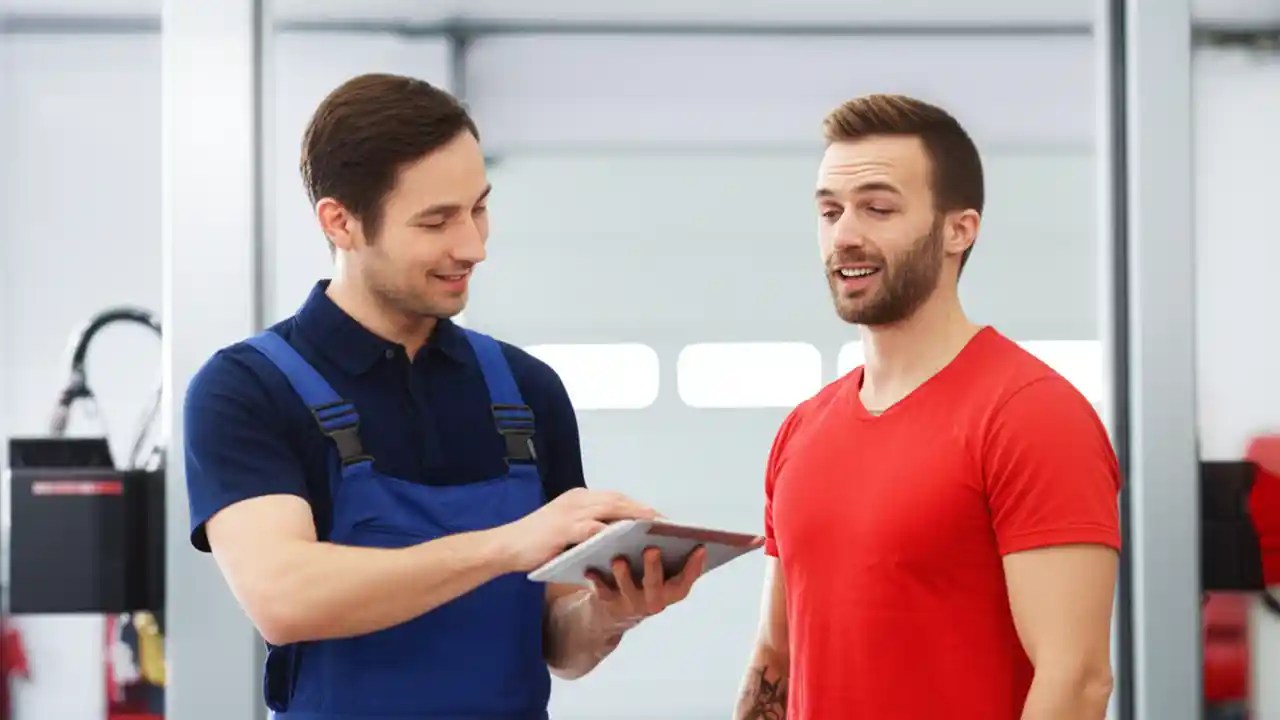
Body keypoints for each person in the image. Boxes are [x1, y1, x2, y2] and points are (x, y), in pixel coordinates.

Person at [183, 73, 706, 718]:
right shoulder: (246, 389)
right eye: (437, 221)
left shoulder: (526, 390)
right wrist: (507, 545)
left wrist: (607, 612)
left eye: (478, 208)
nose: (474, 246)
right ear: (340, 221)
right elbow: (285, 599)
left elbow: (557, 645)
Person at [734, 94, 1121, 719]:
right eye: (830, 211)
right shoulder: (802, 430)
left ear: (958, 229)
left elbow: (1077, 680)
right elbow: (773, 656)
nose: (845, 235)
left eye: (877, 208)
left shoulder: (1032, 416)